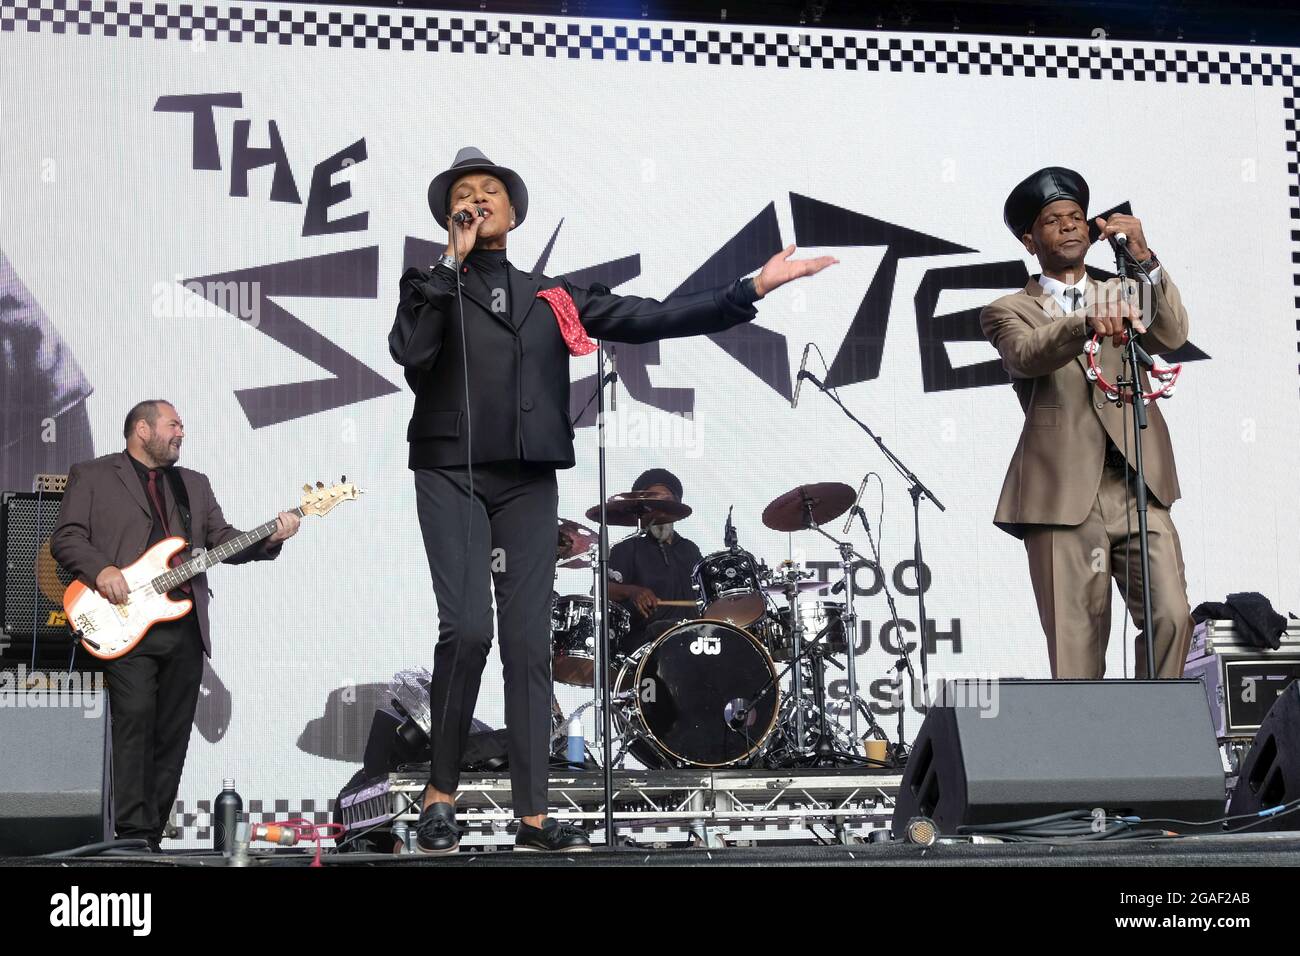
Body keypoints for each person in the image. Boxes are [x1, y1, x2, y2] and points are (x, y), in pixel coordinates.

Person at [389, 147, 836, 853]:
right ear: (451, 215)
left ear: (513, 212)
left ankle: (532, 815)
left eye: (490, 192)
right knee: (469, 630)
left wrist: (751, 287)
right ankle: (440, 794)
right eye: (463, 196)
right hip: (452, 471)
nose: (477, 201)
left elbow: (653, 316)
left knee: (528, 644)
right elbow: (412, 355)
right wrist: (448, 264)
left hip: (529, 479)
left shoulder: (552, 296)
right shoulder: (429, 283)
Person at [51, 400, 300, 850]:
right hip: (125, 622)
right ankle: (129, 834)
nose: (181, 432)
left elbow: (223, 540)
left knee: (173, 733)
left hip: (183, 625)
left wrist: (269, 537)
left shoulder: (194, 485)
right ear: (141, 430)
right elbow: (66, 537)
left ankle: (149, 837)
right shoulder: (93, 474)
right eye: (173, 425)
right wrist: (102, 570)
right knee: (136, 723)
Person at [980, 166, 1193, 680]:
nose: (1070, 226)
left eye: (1077, 217)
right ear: (1030, 240)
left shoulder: (1123, 287)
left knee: (1173, 616)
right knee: (1077, 648)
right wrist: (1083, 321)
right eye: (1054, 221)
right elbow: (1028, 354)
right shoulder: (1007, 309)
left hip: (1136, 483)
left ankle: (1155, 741)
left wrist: (1144, 257)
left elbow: (1172, 334)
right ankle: (1091, 755)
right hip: (1062, 496)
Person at [607, 468, 703, 653]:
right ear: (642, 511)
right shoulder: (627, 547)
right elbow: (601, 590)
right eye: (653, 503)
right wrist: (632, 591)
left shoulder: (690, 549)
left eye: (667, 502)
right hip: (645, 647)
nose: (661, 510)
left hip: (696, 643)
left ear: (677, 509)